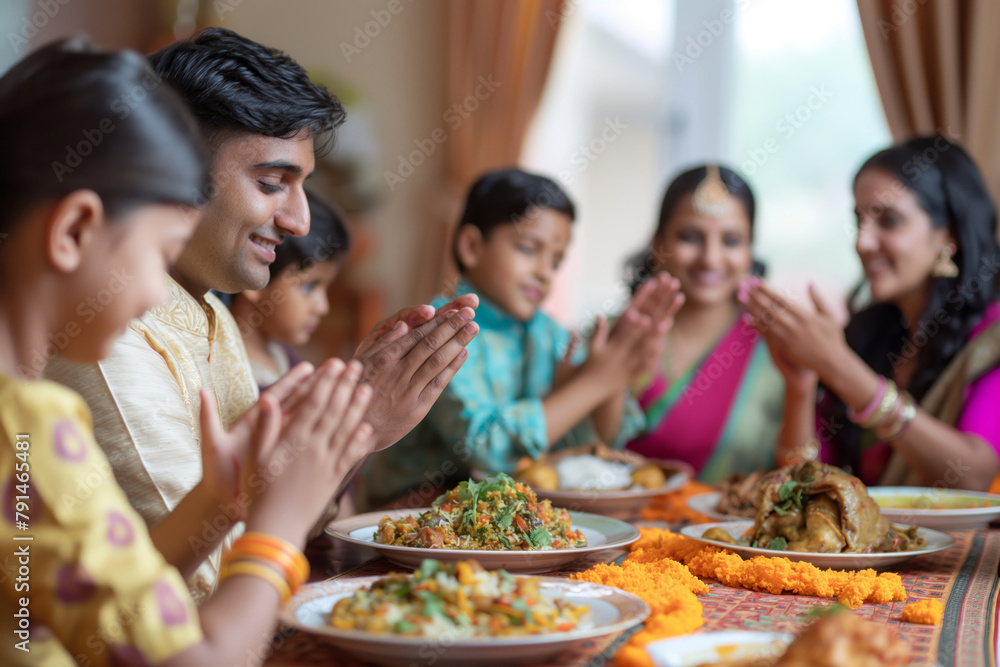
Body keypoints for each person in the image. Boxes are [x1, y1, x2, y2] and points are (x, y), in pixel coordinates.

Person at [45, 28, 479, 601]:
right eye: (272, 183)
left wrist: (356, 426)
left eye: (301, 187)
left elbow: (277, 522)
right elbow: (202, 590)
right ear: (172, 168)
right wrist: (352, 429)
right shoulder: (109, 340)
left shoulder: (210, 313)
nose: (300, 221)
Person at [0, 38, 375, 667]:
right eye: (155, 253)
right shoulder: (25, 432)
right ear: (72, 233)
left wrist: (218, 504)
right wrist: (275, 529)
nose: (155, 291)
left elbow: (85, 609)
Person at [360, 168, 683, 509]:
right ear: (472, 246)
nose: (545, 272)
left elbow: (600, 441)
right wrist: (593, 383)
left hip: (509, 515)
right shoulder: (442, 330)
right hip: (409, 512)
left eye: (556, 260)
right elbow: (486, 448)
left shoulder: (551, 334)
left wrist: (616, 371)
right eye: (529, 249)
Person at [743, 136, 1000, 490]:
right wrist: (800, 384)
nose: (862, 242)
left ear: (948, 235)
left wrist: (838, 366)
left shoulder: (992, 340)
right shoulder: (875, 333)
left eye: (889, 221)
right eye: (859, 219)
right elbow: (801, 485)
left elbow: (973, 476)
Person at [623, 165, 784, 483]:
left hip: (732, 531)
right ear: (658, 244)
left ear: (751, 251)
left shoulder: (777, 348)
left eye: (731, 240)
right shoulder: (618, 335)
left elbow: (801, 471)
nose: (710, 258)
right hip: (621, 530)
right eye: (690, 237)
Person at [232, 190, 351, 392]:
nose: (323, 307)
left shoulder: (287, 360)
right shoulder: (223, 372)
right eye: (309, 286)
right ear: (254, 278)